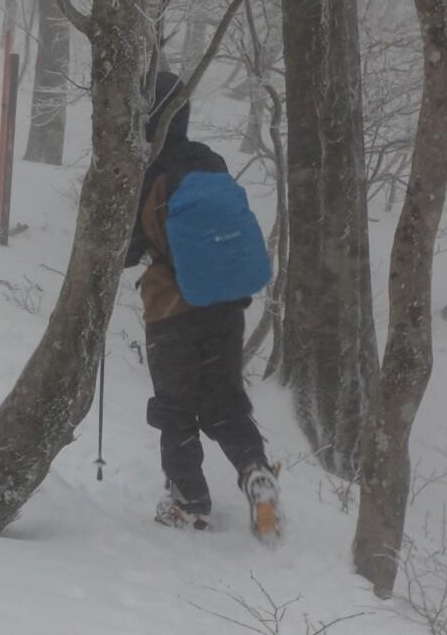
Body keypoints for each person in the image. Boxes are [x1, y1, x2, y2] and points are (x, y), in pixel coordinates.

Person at [125, 70, 281, 540]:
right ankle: (256, 471)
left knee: (175, 408)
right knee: (223, 400)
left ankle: (188, 502)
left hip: (172, 310)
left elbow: (127, 251)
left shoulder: (145, 174)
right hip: (226, 306)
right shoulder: (210, 162)